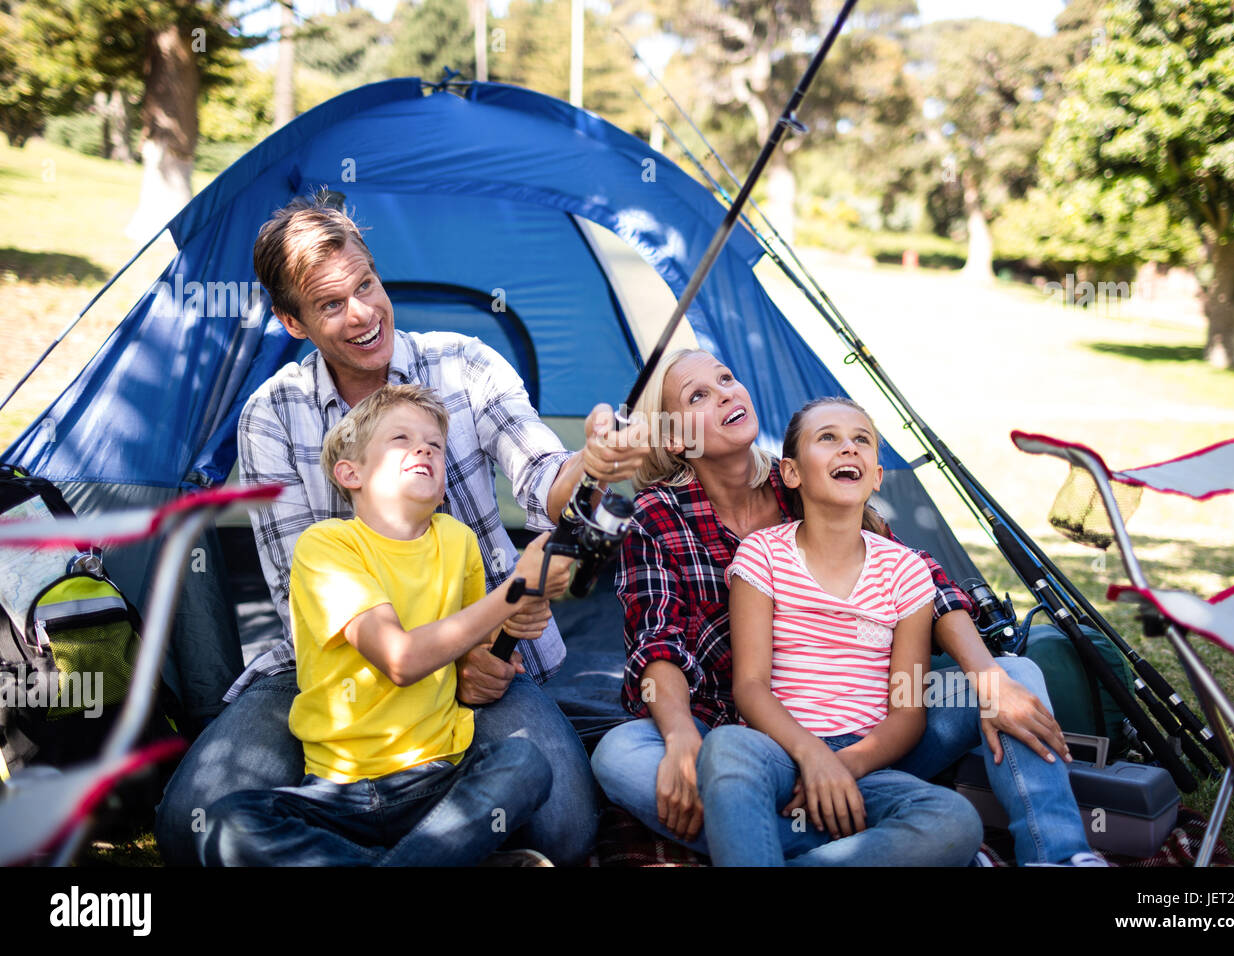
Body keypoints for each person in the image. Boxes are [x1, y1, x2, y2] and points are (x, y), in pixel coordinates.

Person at [156, 194, 651, 866]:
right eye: (331, 304)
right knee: (187, 826)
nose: (362, 313)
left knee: (562, 826)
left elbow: (544, 478)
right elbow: (304, 609)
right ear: (291, 321)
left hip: (484, 652)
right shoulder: (272, 414)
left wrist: (588, 465)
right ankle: (441, 848)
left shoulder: (466, 366)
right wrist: (450, 654)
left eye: (366, 284)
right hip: (335, 671)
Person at [590, 348, 1104, 866]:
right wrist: (680, 736)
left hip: (872, 730)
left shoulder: (807, 477)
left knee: (1011, 674)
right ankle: (866, 845)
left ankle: (1059, 856)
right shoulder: (655, 519)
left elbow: (927, 582)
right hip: (740, 732)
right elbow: (658, 640)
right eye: (698, 395)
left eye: (726, 378)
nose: (724, 392)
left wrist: (988, 680)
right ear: (676, 438)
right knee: (621, 755)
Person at [198, 385, 563, 865]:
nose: (424, 449)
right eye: (401, 439)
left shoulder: (458, 541)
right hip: (337, 791)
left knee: (525, 764)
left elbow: (480, 642)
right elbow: (400, 659)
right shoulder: (327, 546)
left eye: (434, 445)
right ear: (350, 472)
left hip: (440, 782)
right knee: (229, 823)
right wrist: (513, 590)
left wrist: (521, 614)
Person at [699, 397, 982, 865]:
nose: (848, 448)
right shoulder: (761, 555)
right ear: (791, 473)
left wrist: (839, 767)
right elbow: (750, 686)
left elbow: (906, 712)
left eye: (862, 440)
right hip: (778, 749)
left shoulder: (907, 571)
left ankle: (781, 847)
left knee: (954, 820)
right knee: (726, 748)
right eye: (827, 437)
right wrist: (811, 757)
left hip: (866, 762)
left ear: (876, 476)